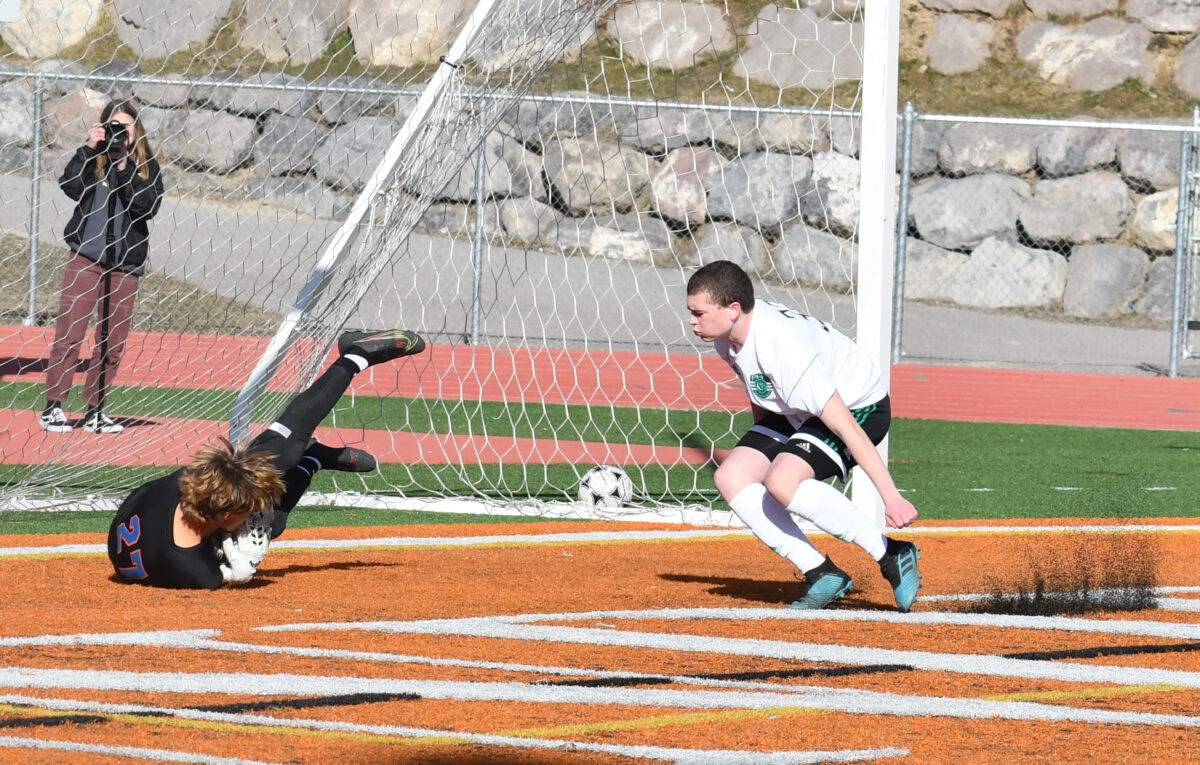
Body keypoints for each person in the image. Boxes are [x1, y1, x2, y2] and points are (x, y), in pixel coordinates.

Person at [107, 329, 425, 589]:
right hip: (173, 536)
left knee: (283, 454)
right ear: (226, 512)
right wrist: (238, 571)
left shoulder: (189, 486)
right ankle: (313, 457)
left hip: (170, 523)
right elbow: (205, 568)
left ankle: (356, 356)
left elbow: (144, 499)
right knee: (273, 522)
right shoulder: (197, 572)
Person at [686, 260, 921, 612]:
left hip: (859, 407)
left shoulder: (784, 348)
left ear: (733, 309)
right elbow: (760, 390)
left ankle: (892, 553)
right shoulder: (727, 339)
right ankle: (822, 573)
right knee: (731, 477)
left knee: (782, 481)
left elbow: (846, 426)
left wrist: (892, 497)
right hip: (797, 409)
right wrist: (764, 445)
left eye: (699, 313)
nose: (692, 321)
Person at [41, 99, 165, 434]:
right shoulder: (94, 159)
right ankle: (53, 407)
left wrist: (124, 165)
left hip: (125, 266)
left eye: (126, 126)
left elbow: (146, 207)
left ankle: (95, 410)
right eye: (113, 126)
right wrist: (88, 148)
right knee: (70, 334)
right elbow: (70, 186)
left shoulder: (146, 166)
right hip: (86, 259)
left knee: (112, 343)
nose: (120, 132)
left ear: (136, 129)